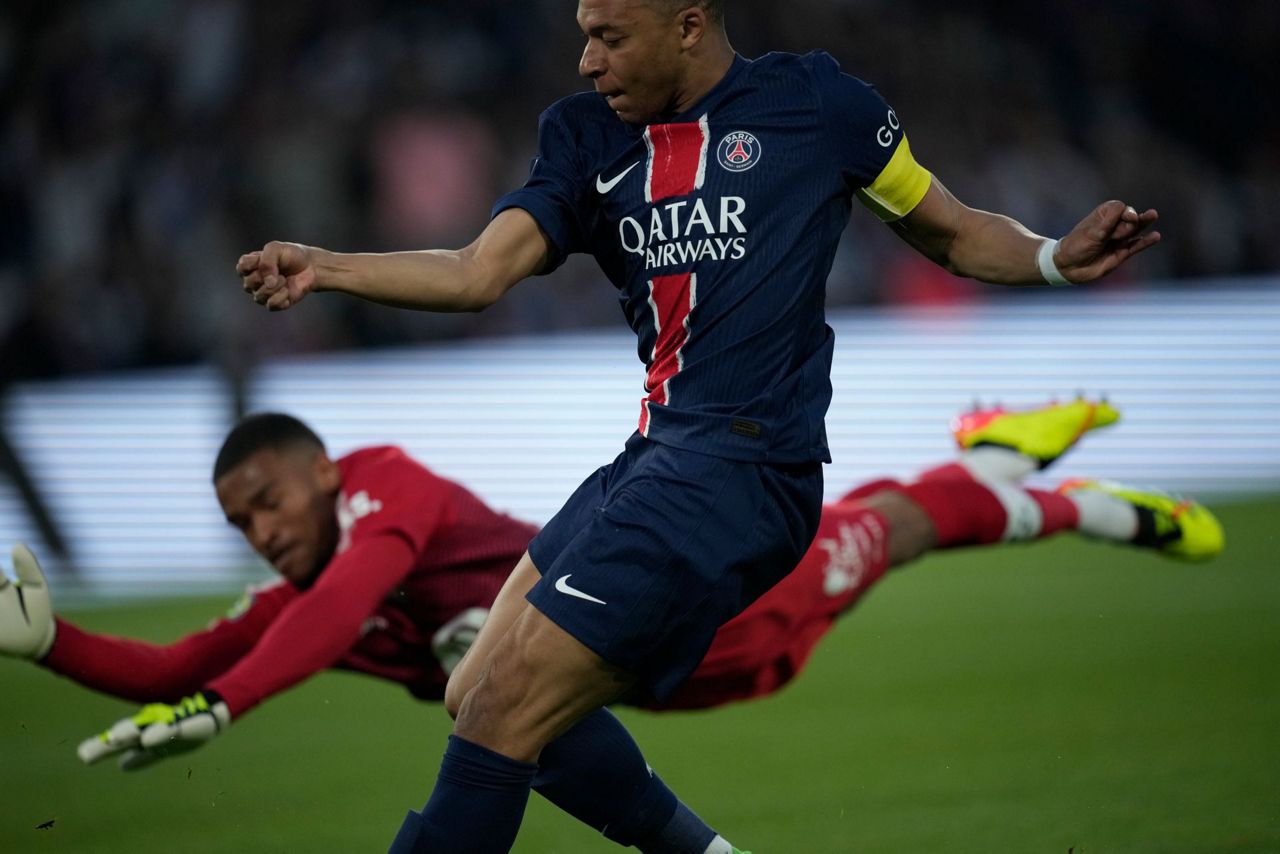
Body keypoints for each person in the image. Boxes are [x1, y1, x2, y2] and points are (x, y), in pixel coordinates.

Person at [234, 2, 1163, 850]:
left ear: (688, 24)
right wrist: (327, 264)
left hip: (747, 470)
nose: (588, 60)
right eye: (583, 34)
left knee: (504, 711)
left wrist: (1050, 257)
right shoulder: (583, 134)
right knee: (470, 691)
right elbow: (478, 272)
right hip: (655, 458)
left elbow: (952, 231)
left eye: (610, 37)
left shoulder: (817, 105)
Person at [1, 401, 1221, 811]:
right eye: (242, 524)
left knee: (886, 532)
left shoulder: (389, 493)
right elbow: (174, 661)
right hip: (660, 680)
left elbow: (329, 614)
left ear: (320, 469)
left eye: (268, 498)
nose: (263, 532)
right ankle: (1002, 445)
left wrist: (230, 697)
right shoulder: (304, 587)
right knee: (886, 529)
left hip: (704, 604)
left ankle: (1089, 505)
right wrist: (50, 643)